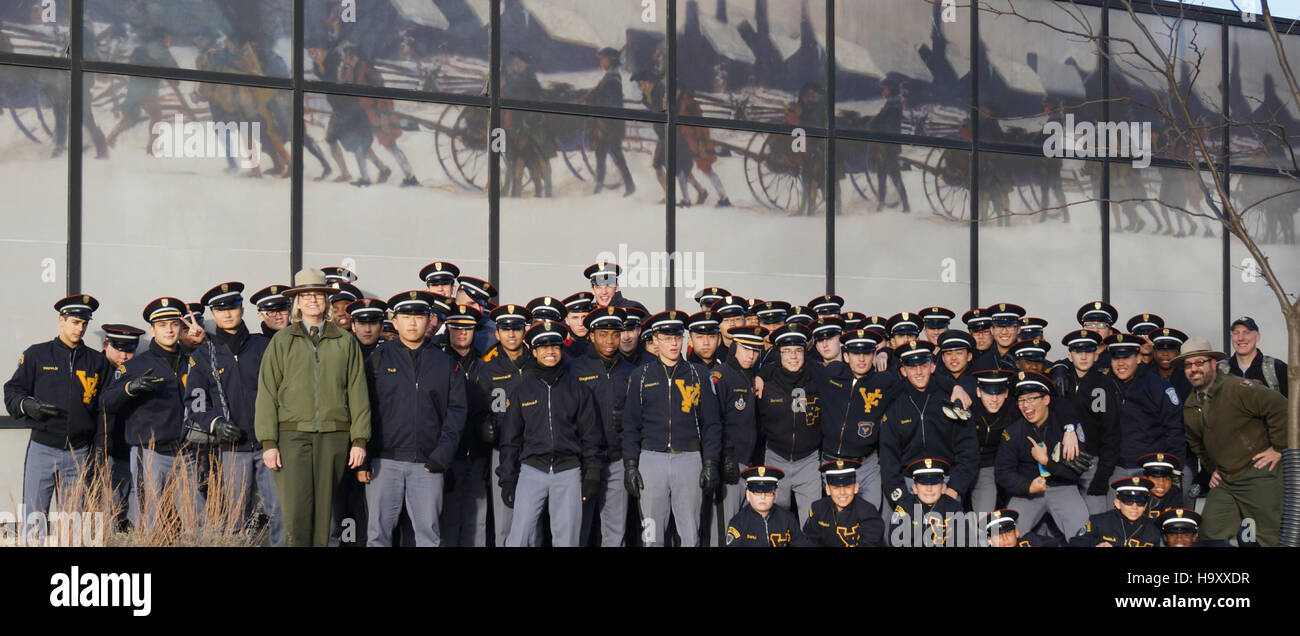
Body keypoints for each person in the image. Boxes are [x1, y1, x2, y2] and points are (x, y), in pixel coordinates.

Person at [254, 269, 371, 547]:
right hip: (292, 437)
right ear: (297, 302)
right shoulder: (282, 341)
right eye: (306, 295)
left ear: (326, 300)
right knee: (295, 514)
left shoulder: (345, 341)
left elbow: (358, 392)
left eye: (318, 294)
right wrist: (268, 442)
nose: (312, 300)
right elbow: (267, 393)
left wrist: (359, 440)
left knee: (327, 517)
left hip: (334, 436)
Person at [362, 291, 467, 547]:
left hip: (428, 464)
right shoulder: (377, 360)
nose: (412, 322)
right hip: (384, 463)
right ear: (394, 322)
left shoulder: (446, 363)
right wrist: (365, 457)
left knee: (428, 537)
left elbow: (456, 413)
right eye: (406, 317)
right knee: (377, 536)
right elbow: (364, 410)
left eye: (419, 317)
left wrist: (441, 456)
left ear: (429, 320)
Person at [185, 282, 282, 546]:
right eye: (220, 309)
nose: (227, 313)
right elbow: (195, 401)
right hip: (232, 449)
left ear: (242, 309)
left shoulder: (265, 346)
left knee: (280, 513)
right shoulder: (204, 355)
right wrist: (215, 423)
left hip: (270, 446)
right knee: (235, 519)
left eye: (232, 307)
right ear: (213, 314)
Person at [5, 295, 108, 541]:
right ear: (61, 320)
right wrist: (26, 405)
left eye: (84, 323)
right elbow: (13, 390)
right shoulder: (37, 354)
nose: (80, 328)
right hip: (42, 448)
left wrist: (100, 446)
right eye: (75, 322)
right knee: (34, 520)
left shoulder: (97, 361)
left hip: (79, 452)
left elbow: (104, 409)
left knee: (73, 526)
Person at [621, 311, 722, 547]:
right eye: (667, 338)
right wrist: (631, 465)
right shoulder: (641, 376)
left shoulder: (699, 374)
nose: (673, 344)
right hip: (651, 460)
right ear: (656, 340)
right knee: (651, 535)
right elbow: (630, 425)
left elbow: (712, 423)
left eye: (677, 337)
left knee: (690, 534)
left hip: (689, 459)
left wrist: (710, 462)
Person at [499, 321, 603, 547]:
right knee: (519, 537)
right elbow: (510, 439)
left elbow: (591, 436)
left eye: (555, 346)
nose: (550, 352)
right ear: (534, 351)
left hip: (569, 470)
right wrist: (507, 478)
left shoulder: (578, 389)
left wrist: (593, 473)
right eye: (544, 347)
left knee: (567, 539)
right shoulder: (522, 391)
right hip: (532, 470)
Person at [103, 297, 200, 532]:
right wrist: (130, 388)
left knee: (197, 522)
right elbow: (106, 402)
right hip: (151, 454)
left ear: (181, 328)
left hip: (187, 453)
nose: (169, 330)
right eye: (162, 325)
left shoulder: (193, 361)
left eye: (174, 324)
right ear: (152, 330)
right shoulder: (136, 365)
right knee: (151, 521)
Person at [1178, 337, 1286, 547]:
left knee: (1269, 536)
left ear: (1213, 364)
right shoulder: (1191, 403)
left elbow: (1281, 408)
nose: (1193, 369)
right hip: (1226, 480)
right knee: (1210, 535)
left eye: (1199, 362)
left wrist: (1278, 448)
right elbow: (1195, 441)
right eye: (1188, 365)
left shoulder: (1237, 387)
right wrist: (1212, 468)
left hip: (1257, 473)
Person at [879, 341, 979, 512]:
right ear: (903, 371)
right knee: (899, 527)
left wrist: (955, 489)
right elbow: (889, 459)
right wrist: (901, 497)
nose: (918, 372)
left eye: (923, 365)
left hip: (946, 482)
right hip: (909, 483)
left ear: (932, 367)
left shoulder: (952, 399)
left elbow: (968, 450)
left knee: (953, 528)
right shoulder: (894, 404)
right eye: (912, 367)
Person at [569, 307, 637, 547]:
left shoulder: (631, 371)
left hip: (616, 460)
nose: (610, 340)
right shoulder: (574, 369)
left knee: (615, 532)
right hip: (582, 461)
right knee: (577, 530)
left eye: (615, 334)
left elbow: (639, 417)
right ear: (591, 335)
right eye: (603, 334)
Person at [995, 372, 1090, 539]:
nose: (1026, 405)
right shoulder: (1013, 432)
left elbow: (1075, 472)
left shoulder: (1067, 429)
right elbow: (1003, 472)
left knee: (1083, 535)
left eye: (1032, 398)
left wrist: (1046, 462)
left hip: (1063, 487)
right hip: (1028, 491)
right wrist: (1027, 486)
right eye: (1021, 400)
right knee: (1007, 535)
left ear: (1046, 400)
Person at [754, 324, 832, 522]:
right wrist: (762, 374)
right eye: (787, 351)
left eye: (798, 350)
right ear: (779, 354)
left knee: (811, 521)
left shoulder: (818, 379)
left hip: (808, 460)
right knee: (775, 521)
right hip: (775, 457)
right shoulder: (767, 384)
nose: (793, 356)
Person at [1102, 333, 1184, 488]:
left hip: (1151, 467)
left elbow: (1174, 431)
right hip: (1114, 468)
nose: (1120, 363)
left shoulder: (1158, 386)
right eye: (1116, 358)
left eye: (1126, 357)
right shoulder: (1101, 387)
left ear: (1138, 358)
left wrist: (1173, 470)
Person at [438, 304, 489, 547]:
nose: (462, 333)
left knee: (476, 521)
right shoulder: (438, 363)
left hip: (478, 454)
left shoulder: (485, 365)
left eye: (467, 328)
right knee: (448, 520)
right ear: (448, 329)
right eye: (456, 328)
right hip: (448, 454)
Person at [716, 326, 766, 533]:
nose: (751, 355)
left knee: (746, 529)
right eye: (746, 349)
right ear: (734, 347)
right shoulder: (721, 376)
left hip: (750, 463)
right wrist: (725, 457)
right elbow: (714, 421)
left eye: (755, 351)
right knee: (725, 528)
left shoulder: (751, 375)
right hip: (730, 464)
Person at [98, 323, 146, 530]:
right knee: (107, 513)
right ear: (106, 344)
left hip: (132, 451)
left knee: (135, 515)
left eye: (130, 349)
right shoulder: (95, 368)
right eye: (118, 348)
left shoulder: (139, 369)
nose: (124, 355)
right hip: (103, 451)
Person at [887, 458, 969, 547]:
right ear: (914, 488)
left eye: (934, 483)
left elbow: (964, 541)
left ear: (943, 487)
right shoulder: (904, 508)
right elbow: (896, 542)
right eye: (923, 483)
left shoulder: (954, 508)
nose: (929, 489)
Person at [803, 459, 884, 547]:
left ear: (856, 488)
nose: (842, 493)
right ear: (828, 489)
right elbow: (809, 541)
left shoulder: (868, 513)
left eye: (848, 487)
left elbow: (871, 543)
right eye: (836, 488)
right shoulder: (818, 509)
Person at [724, 466, 811, 547]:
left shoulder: (787, 519)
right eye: (757, 492)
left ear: (775, 496)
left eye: (768, 492)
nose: (763, 497)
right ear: (748, 495)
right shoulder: (738, 523)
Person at [588, 47, 635, 197]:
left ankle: (628, 185)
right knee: (601, 152)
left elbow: (610, 103)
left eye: (603, 59)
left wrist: (595, 100)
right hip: (608, 124)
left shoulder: (613, 79)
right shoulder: (609, 77)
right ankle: (600, 185)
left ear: (611, 60)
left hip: (612, 124)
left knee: (615, 154)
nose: (601, 62)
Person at [1070, 477, 1161, 547]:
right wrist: (1096, 545)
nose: (1134, 507)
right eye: (1128, 502)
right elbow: (1076, 542)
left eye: (1140, 503)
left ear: (1145, 506)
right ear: (1117, 503)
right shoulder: (1099, 521)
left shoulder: (1152, 529)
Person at [970, 369, 1015, 513]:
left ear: (1006, 393)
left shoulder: (1014, 410)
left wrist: (1069, 428)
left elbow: (1053, 404)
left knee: (985, 518)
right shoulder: (967, 407)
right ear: (978, 392)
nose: (994, 399)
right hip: (962, 467)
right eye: (989, 393)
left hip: (988, 469)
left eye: (999, 393)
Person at [1220, 316, 1288, 397]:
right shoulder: (1219, 370)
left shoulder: (1277, 369)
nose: (1240, 338)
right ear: (1231, 337)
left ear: (1258, 336)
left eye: (1246, 332)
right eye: (1236, 333)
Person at [985, 509, 1061, 547]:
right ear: (989, 540)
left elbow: (1052, 543)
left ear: (1016, 533)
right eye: (998, 535)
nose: (1005, 539)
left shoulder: (1030, 541)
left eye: (1009, 533)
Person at [1138, 452, 1182, 517]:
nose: (1161, 482)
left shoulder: (1175, 495)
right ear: (1145, 479)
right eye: (1155, 478)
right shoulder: (1137, 496)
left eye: (1166, 478)